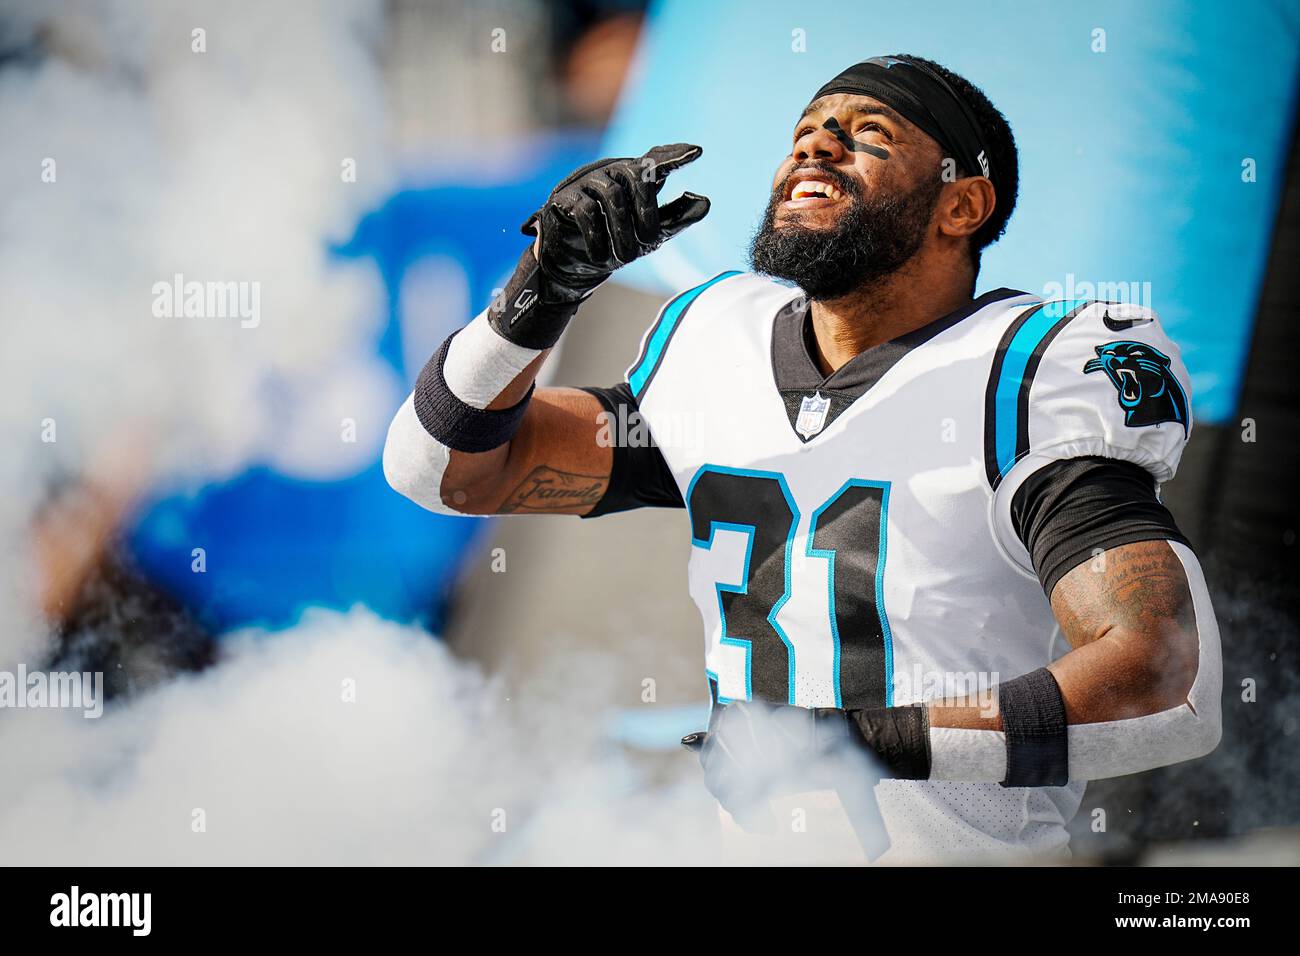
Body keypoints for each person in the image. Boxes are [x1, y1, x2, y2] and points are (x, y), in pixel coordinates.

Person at [381, 54, 1222, 863]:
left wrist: (856, 743)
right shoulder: (716, 336)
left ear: (961, 206)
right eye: (805, 131)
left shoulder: (1029, 367)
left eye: (870, 135)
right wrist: (545, 286)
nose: (816, 146)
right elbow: (441, 469)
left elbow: (1170, 681)